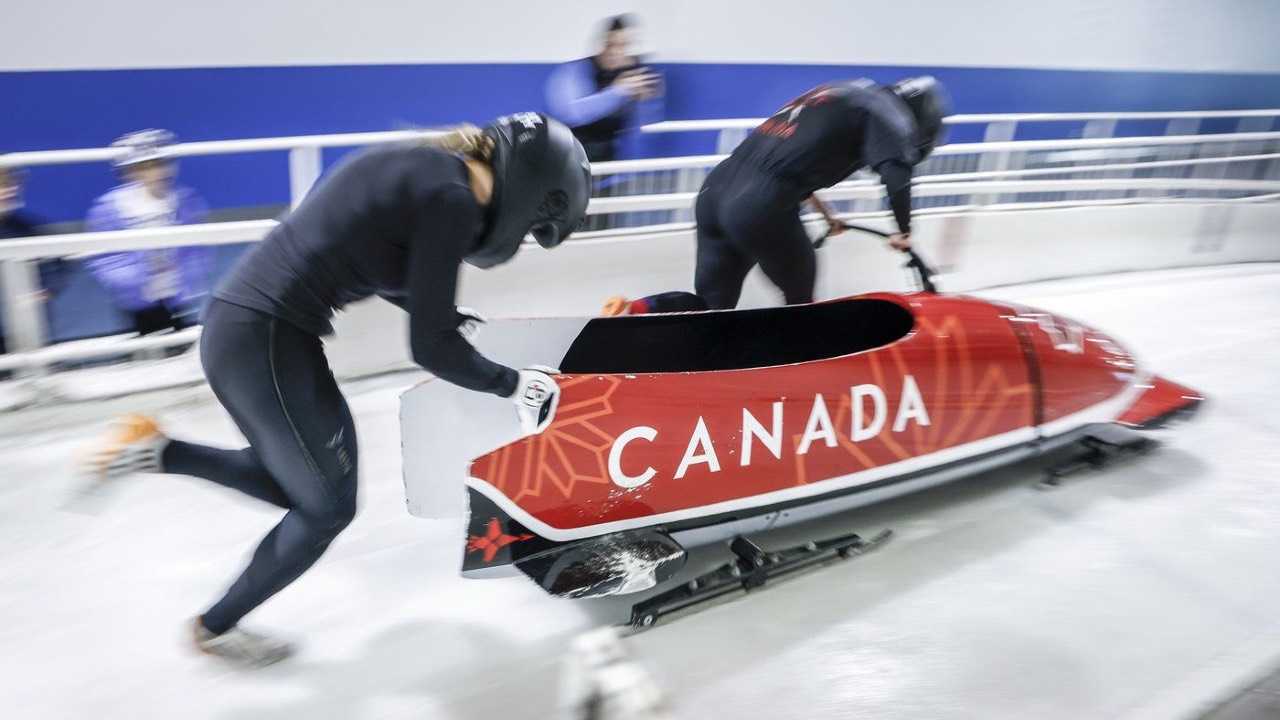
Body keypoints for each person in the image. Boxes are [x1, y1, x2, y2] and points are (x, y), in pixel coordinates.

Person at [79, 113, 591, 667]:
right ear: (536, 193)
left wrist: (444, 312)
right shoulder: (453, 200)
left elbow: (370, 254)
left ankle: (154, 450)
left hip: (242, 326)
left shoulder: (428, 168)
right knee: (326, 510)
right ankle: (214, 628)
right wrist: (515, 385)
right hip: (265, 337)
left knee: (307, 491)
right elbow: (432, 349)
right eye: (537, 221)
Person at [603, 76, 950, 316]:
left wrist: (826, 215)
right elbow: (896, 175)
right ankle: (795, 372)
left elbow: (789, 157)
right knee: (801, 303)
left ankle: (638, 309)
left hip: (715, 191)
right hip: (759, 204)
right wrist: (903, 232)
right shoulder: (887, 113)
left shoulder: (843, 92)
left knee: (710, 307)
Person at [84, 129, 212, 336]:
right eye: (146, 167)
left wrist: (188, 278)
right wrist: (133, 283)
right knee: (146, 342)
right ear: (130, 171)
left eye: (162, 164)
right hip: (137, 299)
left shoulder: (184, 200)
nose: (158, 172)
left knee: (180, 339)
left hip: (178, 292)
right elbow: (105, 256)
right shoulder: (111, 207)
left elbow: (197, 246)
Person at [545, 14, 662, 163]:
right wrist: (618, 91)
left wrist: (643, 102)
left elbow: (642, 133)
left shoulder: (632, 77)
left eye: (622, 46)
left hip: (607, 162)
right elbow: (572, 113)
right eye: (610, 44)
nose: (614, 52)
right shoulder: (575, 71)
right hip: (569, 160)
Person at [0, 163, 69, 359]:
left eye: (9, 183)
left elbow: (57, 265)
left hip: (27, 325)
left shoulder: (30, 227)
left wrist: (44, 292)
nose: (5, 191)